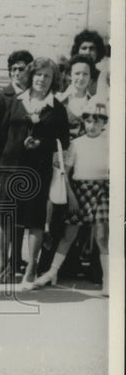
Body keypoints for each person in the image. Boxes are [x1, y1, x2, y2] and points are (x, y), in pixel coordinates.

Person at [0, 57, 70, 290]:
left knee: (34, 221)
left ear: (53, 81)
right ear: (31, 75)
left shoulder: (57, 108)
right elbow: (0, 136)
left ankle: (31, 270)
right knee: (4, 217)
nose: (42, 79)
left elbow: (63, 141)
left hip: (37, 171)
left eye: (47, 76)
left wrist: (42, 143)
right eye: (38, 74)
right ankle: (2, 267)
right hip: (9, 168)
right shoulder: (15, 101)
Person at [35, 99, 109, 295]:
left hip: (103, 190)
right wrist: (72, 196)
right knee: (69, 234)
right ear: (84, 122)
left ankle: (108, 280)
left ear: (104, 123)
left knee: (102, 236)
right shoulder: (76, 144)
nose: (92, 125)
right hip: (79, 191)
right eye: (89, 121)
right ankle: (52, 272)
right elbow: (65, 173)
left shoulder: (110, 144)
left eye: (97, 121)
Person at [56, 55, 97, 140]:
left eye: (85, 74)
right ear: (69, 75)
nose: (81, 78)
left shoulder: (95, 103)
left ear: (90, 77)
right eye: (77, 73)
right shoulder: (58, 100)